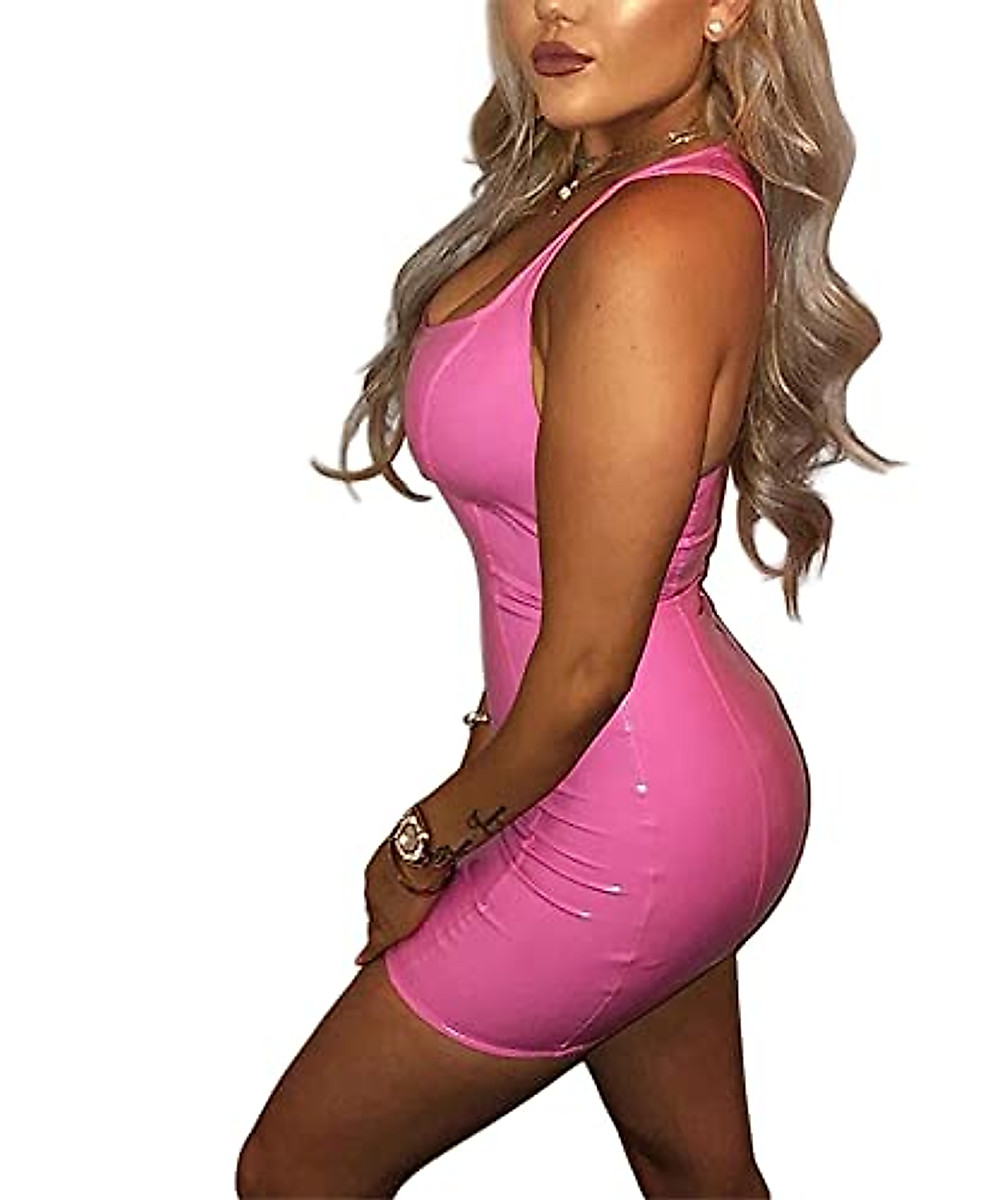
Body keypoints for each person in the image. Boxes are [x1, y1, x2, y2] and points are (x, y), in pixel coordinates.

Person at [237, 1, 895, 1196]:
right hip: (619, 775)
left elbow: (589, 660)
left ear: (724, 8)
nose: (555, 6)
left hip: (625, 807)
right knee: (693, 1168)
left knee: (297, 1174)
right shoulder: (598, 193)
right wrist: (491, 760)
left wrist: (424, 842)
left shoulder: (659, 234)